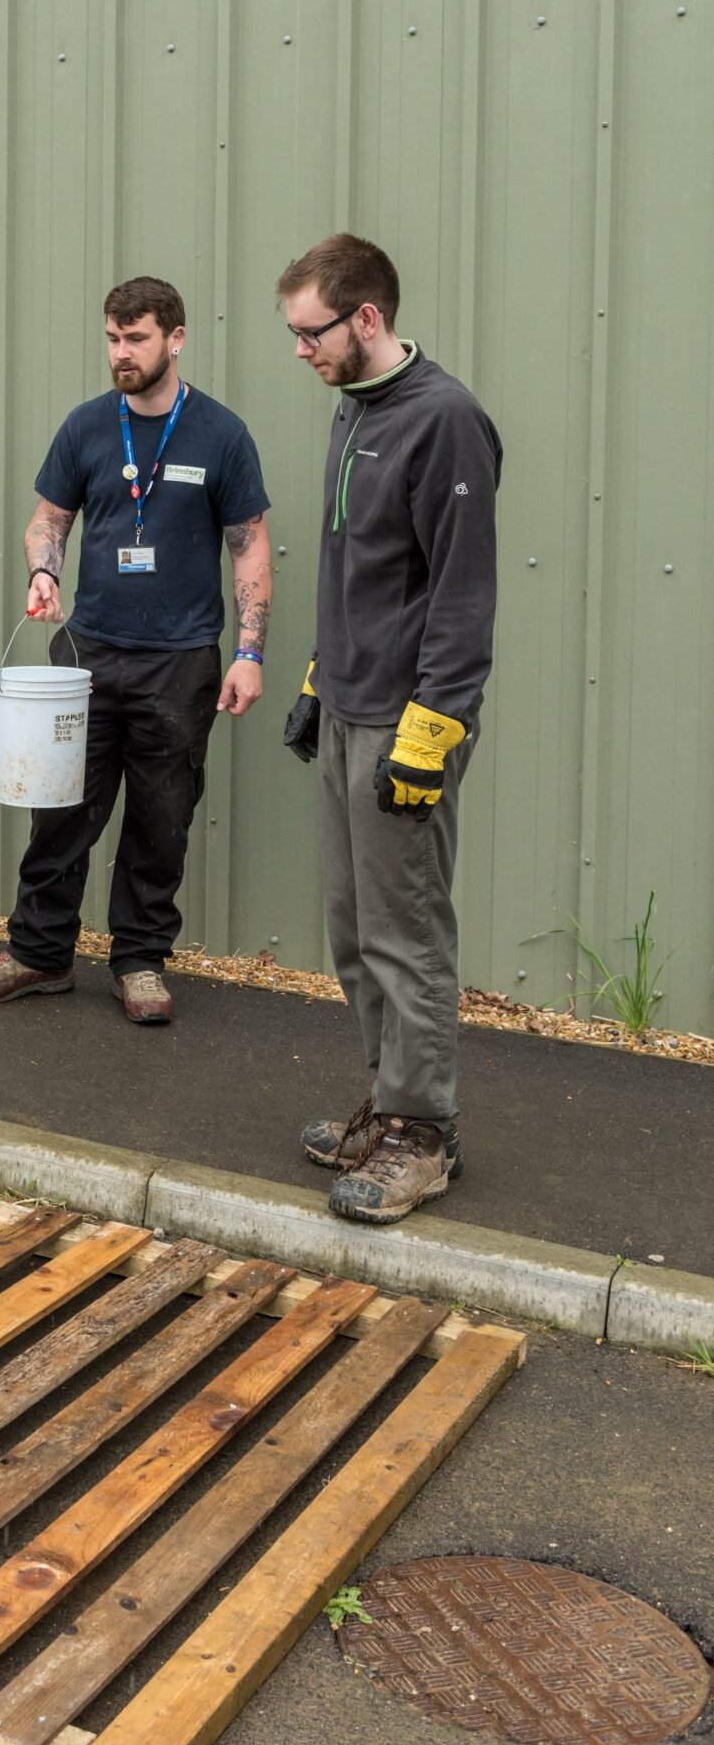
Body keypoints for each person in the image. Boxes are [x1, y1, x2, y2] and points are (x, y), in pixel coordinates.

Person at [0, 276, 271, 1025]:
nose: (120, 353)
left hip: (181, 659)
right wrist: (43, 570)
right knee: (60, 807)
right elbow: (48, 520)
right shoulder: (86, 427)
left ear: (176, 337)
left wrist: (249, 651)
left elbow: (251, 548)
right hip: (87, 653)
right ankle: (39, 953)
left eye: (135, 338)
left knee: (161, 818)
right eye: (111, 338)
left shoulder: (221, 435)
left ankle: (138, 961)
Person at [277, 233, 501, 1224]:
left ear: (366, 317)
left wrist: (432, 731)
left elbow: (459, 594)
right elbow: (356, 566)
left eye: (310, 331)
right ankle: (385, 1096)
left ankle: (423, 1133)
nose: (300, 350)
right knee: (353, 927)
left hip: (407, 722)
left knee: (406, 932)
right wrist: (321, 676)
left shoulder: (443, 420)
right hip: (349, 707)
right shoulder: (354, 408)